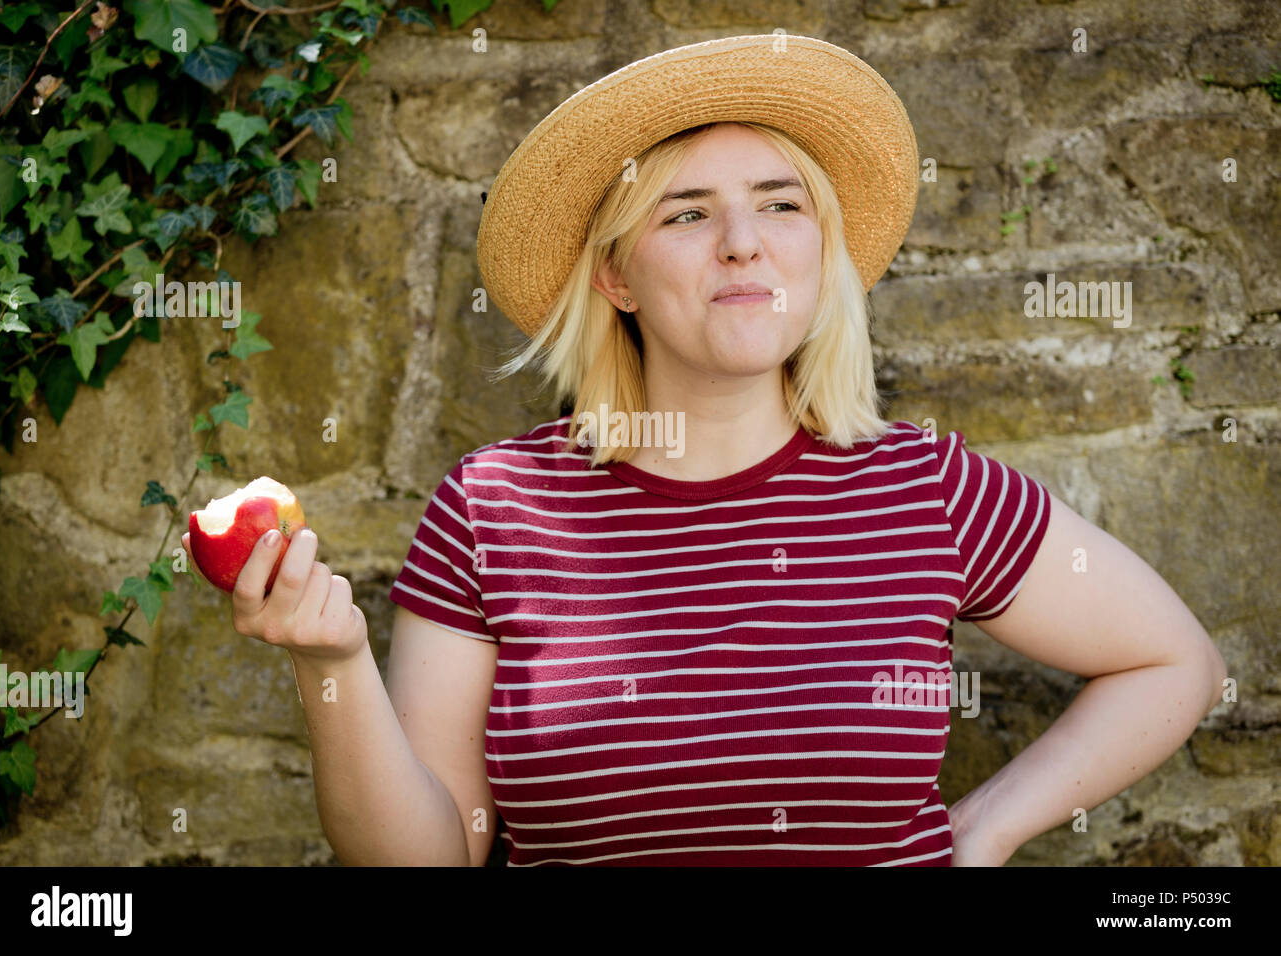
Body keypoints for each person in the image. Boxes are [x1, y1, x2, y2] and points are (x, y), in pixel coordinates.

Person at [187, 35, 1227, 868]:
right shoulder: (493, 507)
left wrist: (986, 828)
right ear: (616, 279)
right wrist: (333, 664)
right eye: (687, 214)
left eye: (781, 205)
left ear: (819, 253)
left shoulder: (925, 486)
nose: (743, 240)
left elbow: (1173, 661)